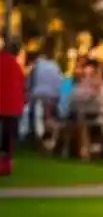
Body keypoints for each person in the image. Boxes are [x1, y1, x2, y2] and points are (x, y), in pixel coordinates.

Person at [26, 43, 63, 142]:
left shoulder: (35, 66)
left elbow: (30, 83)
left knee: (33, 111)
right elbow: (60, 81)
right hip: (54, 95)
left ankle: (33, 134)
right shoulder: (55, 65)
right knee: (51, 114)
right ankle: (50, 134)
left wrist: (27, 94)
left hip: (39, 94)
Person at [0, 43, 26, 176]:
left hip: (4, 103)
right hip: (12, 106)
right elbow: (22, 85)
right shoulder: (16, 66)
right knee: (8, 136)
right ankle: (6, 163)